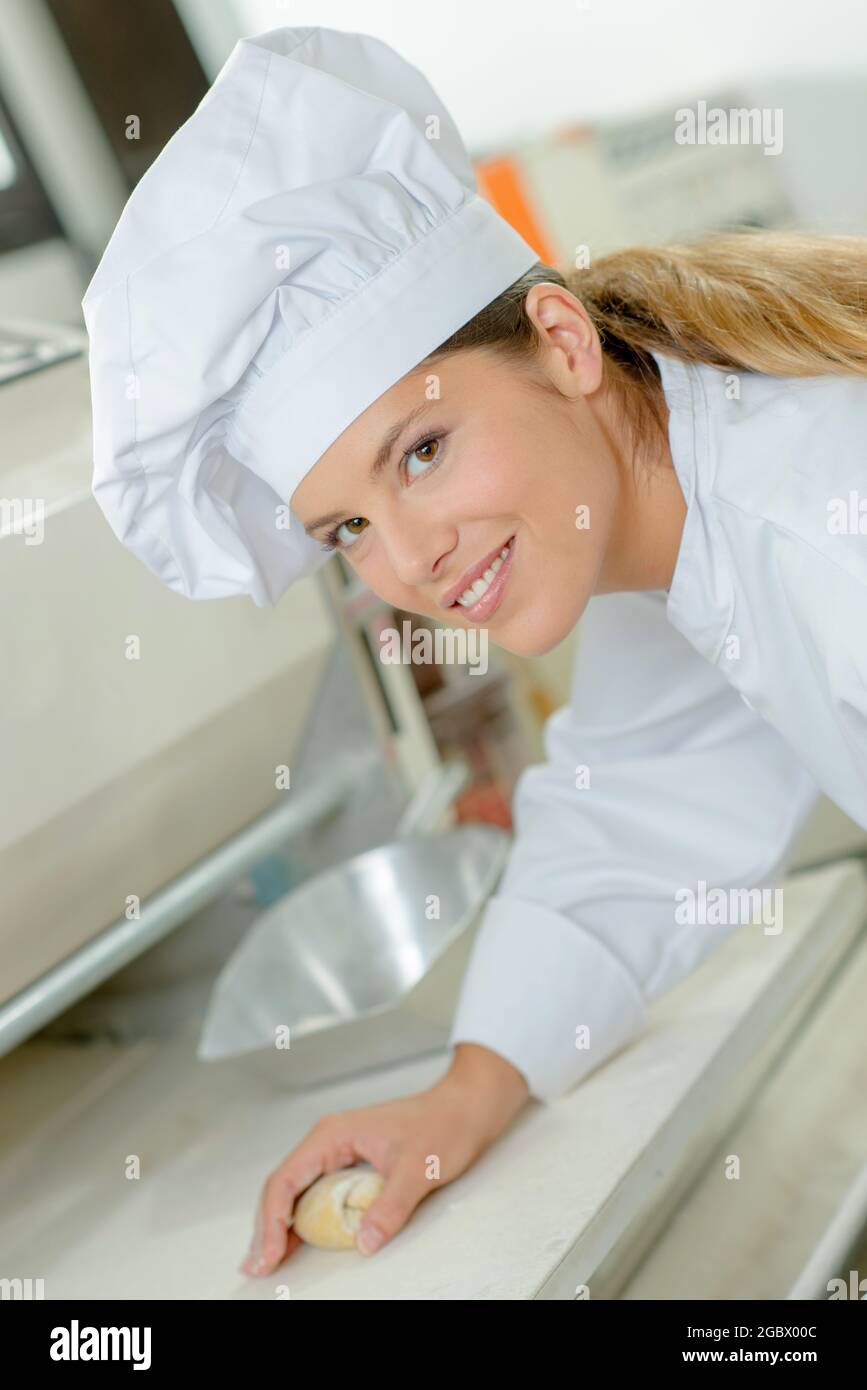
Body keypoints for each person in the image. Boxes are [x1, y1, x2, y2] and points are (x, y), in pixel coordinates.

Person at [80, 26, 867, 1276]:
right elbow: (645, 805)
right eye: (348, 527)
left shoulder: (827, 519)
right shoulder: (685, 484)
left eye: (423, 452)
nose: (411, 558)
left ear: (560, 342)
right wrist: (463, 1100)